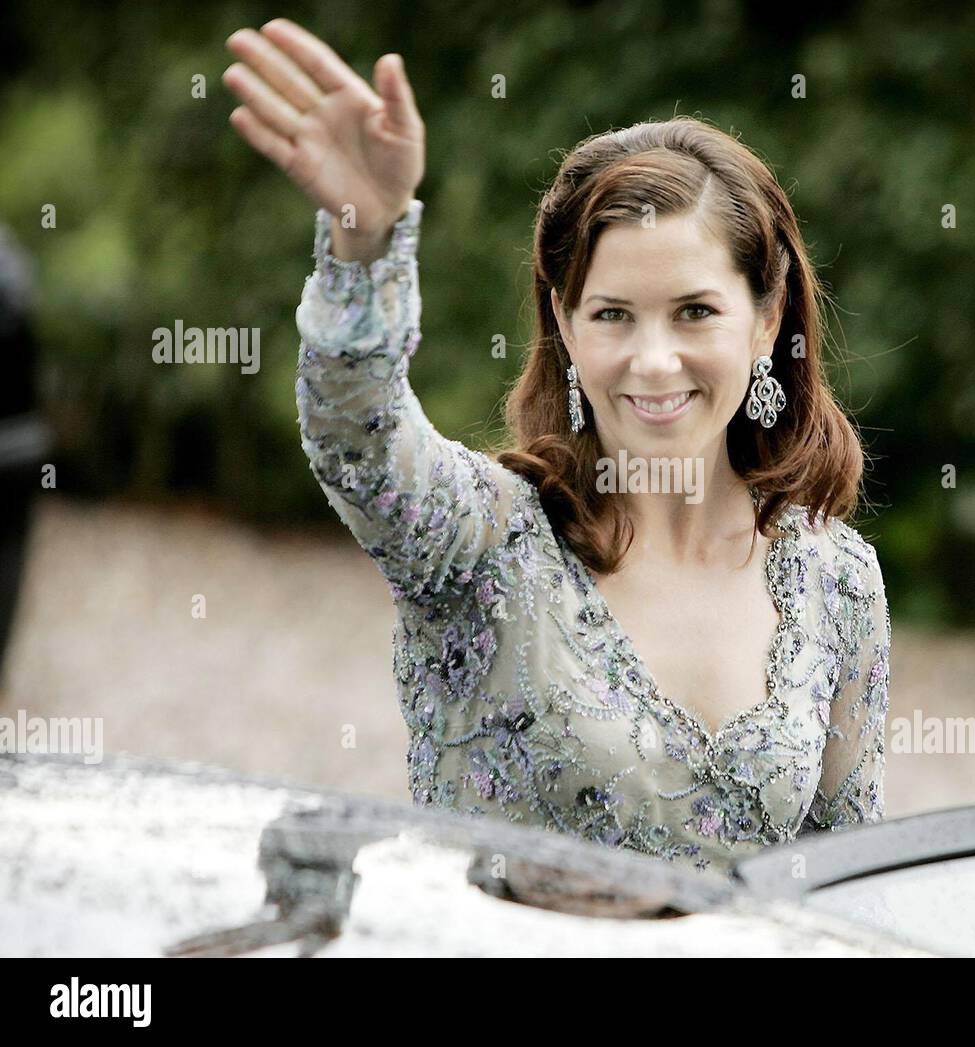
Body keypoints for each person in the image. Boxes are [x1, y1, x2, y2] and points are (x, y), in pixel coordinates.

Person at [223, 17, 890, 873]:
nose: (654, 360)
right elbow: (358, 439)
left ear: (766, 320)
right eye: (613, 314)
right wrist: (365, 242)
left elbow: (847, 884)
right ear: (566, 326)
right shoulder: (483, 540)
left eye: (695, 311)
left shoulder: (839, 580)